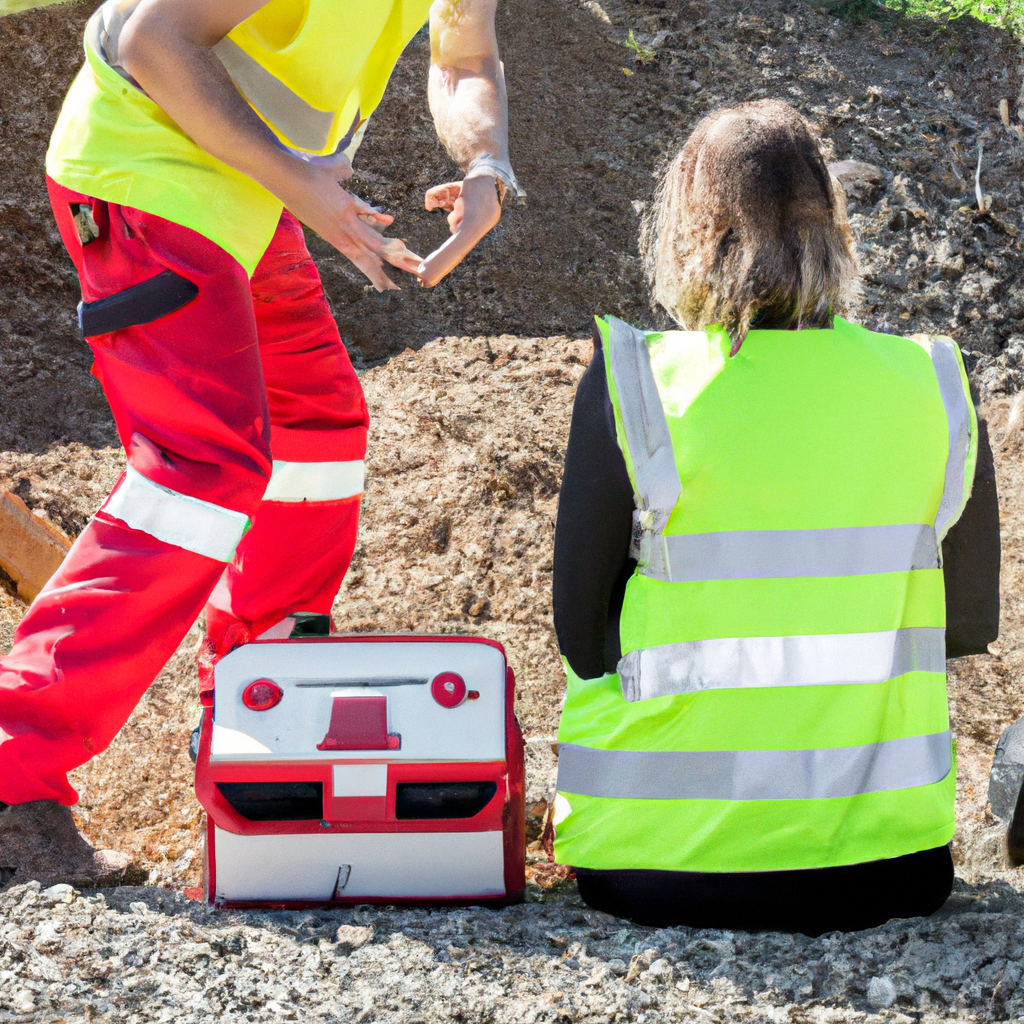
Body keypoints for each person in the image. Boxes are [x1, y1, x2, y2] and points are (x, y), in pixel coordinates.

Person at [0, 0, 520, 888]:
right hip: (146, 170)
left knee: (316, 429)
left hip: (246, 184)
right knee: (201, 471)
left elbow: (465, 53)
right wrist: (303, 182)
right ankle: (11, 777)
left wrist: (487, 162)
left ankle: (259, 706)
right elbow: (149, 38)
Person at [551, 100, 1000, 935]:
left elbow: (581, 638)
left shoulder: (636, 382)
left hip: (654, 865)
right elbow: (969, 622)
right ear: (837, 231)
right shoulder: (934, 383)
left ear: (688, 231)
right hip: (886, 867)